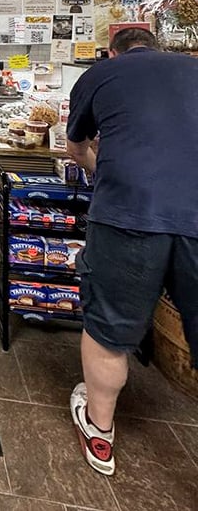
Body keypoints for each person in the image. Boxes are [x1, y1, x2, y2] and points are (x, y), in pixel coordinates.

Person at [66, 27, 198, 476]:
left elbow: (76, 148)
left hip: (129, 213)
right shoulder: (192, 69)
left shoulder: (101, 75)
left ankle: (100, 433)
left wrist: (104, 170)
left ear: (111, 52)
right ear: (159, 47)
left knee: (109, 329)